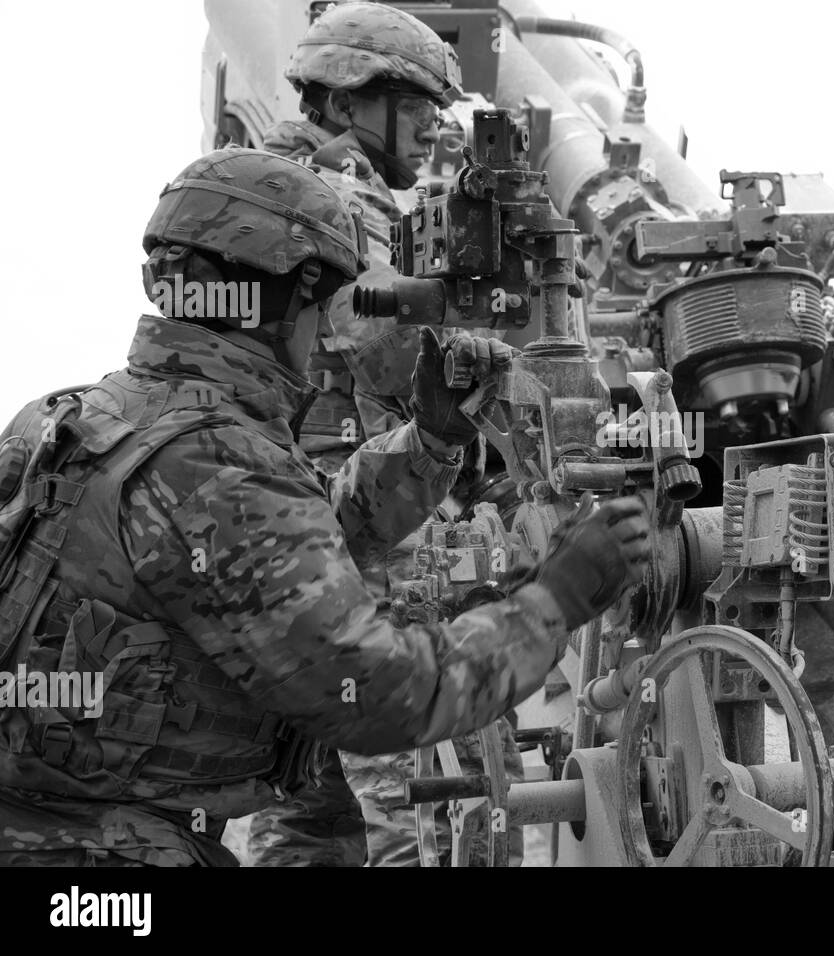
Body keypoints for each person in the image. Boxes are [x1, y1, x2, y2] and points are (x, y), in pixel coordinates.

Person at [0, 147, 650, 866]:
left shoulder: (65, 418)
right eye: (324, 305)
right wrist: (556, 599)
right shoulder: (219, 460)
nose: (323, 337)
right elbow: (379, 693)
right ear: (299, 287)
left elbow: (271, 562)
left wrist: (430, 441)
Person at [247, 0, 521, 867]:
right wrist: (499, 424)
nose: (435, 128)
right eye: (417, 107)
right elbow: (390, 354)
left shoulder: (270, 186)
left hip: (289, 522)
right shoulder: (340, 194)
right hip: (352, 524)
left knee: (305, 800)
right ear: (349, 100)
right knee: (383, 801)